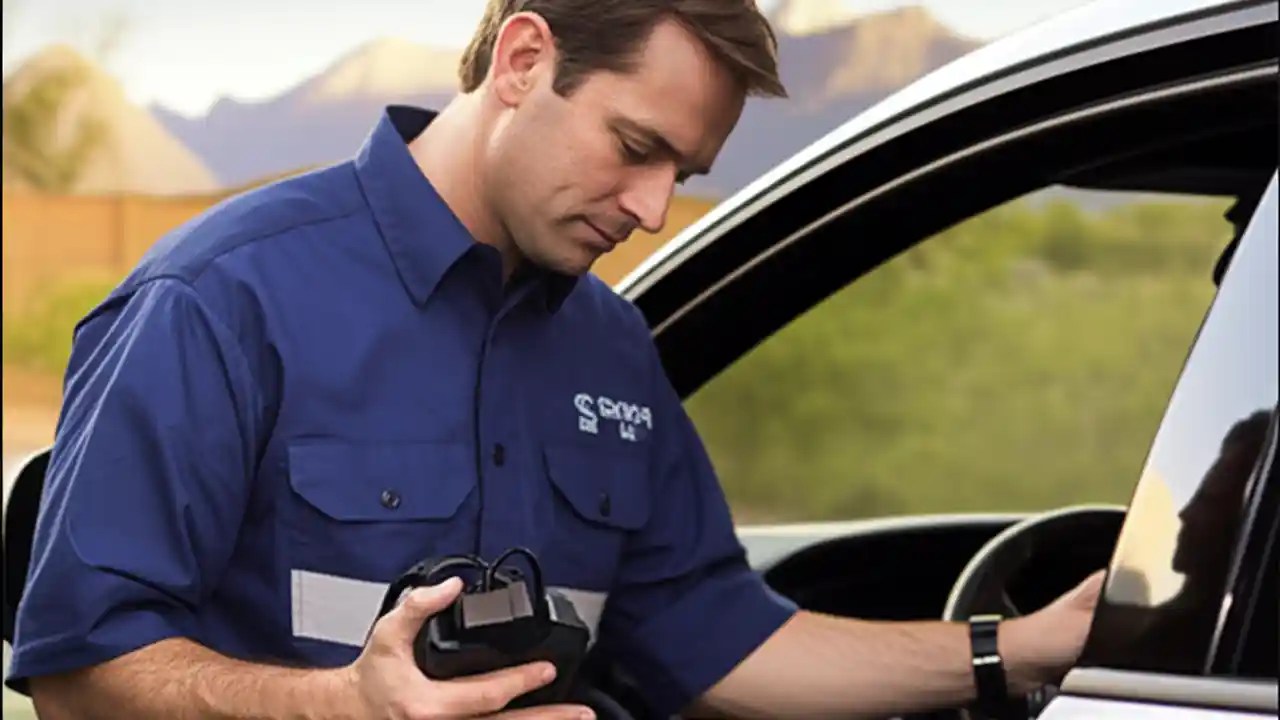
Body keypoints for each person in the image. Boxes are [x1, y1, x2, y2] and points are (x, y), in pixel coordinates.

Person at [6, 1, 1104, 718]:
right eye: (635, 148)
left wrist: (1007, 649)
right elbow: (76, 675)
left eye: (684, 168)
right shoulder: (221, 297)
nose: (652, 207)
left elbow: (719, 642)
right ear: (525, 60)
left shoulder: (610, 346)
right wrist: (351, 703)